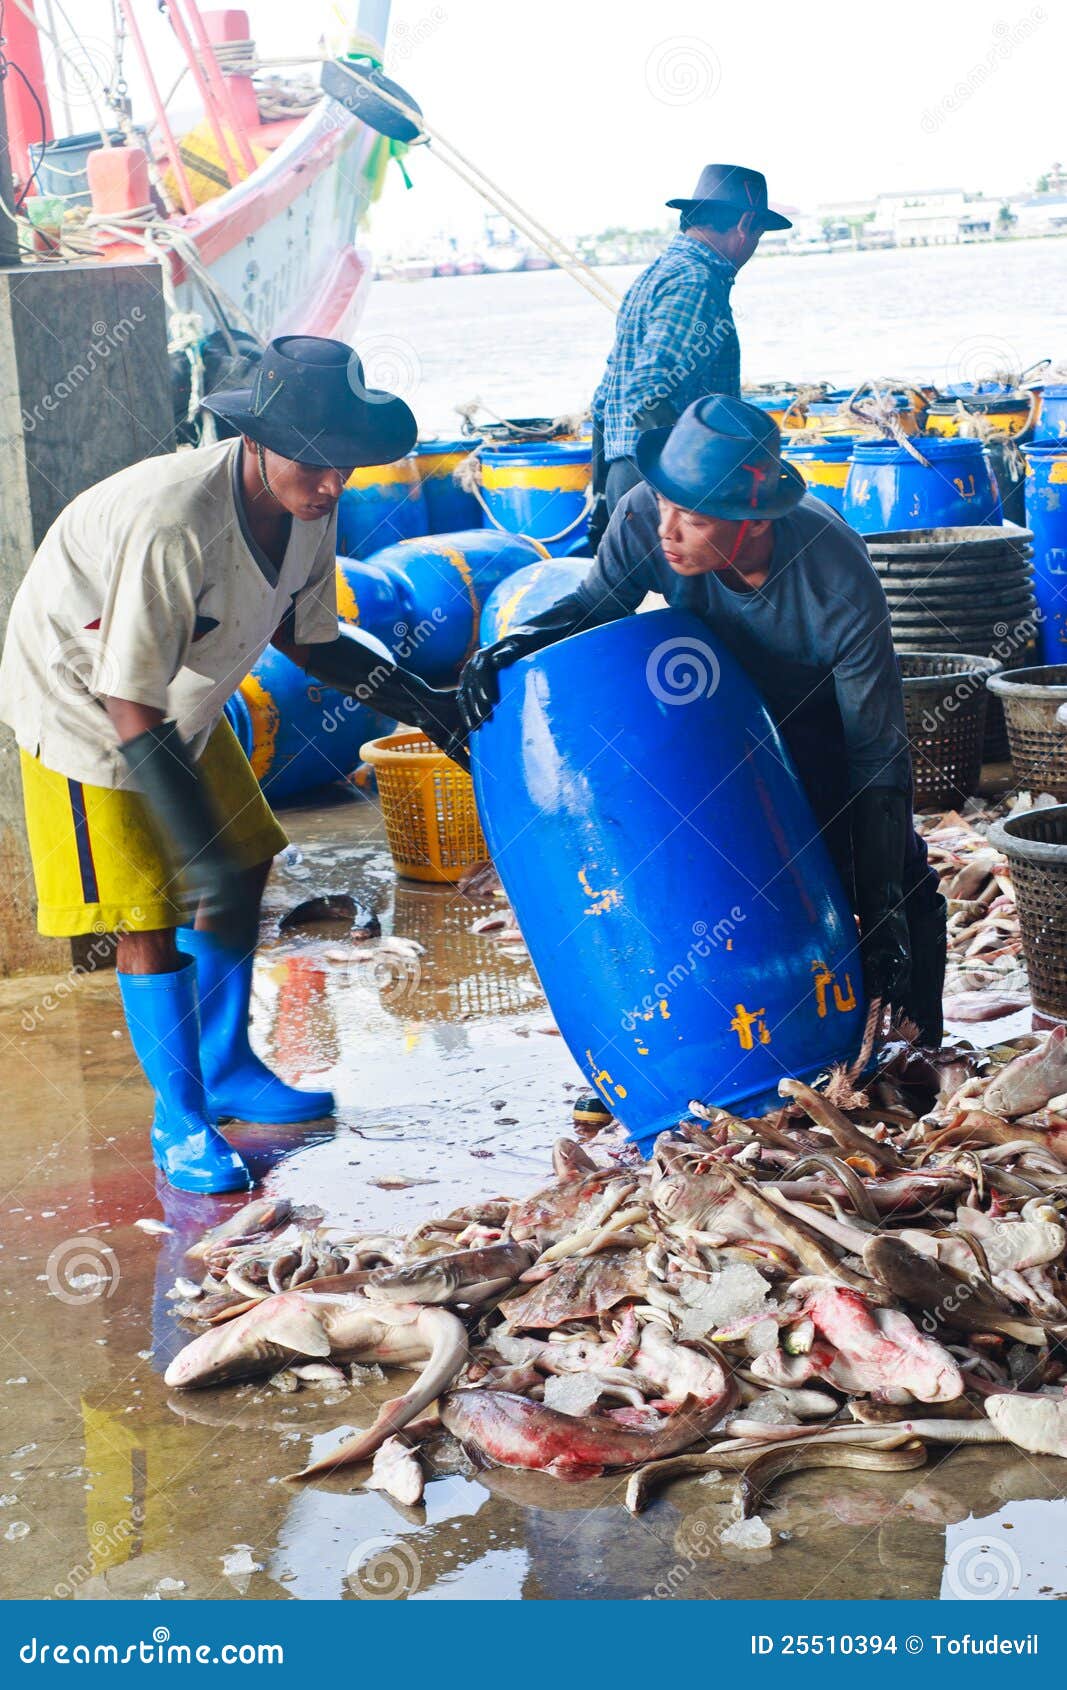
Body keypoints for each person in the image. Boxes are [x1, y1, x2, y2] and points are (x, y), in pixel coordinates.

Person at [0, 335, 465, 1194]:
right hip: (85, 702)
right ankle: (179, 1121)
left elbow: (308, 636)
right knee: (149, 911)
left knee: (246, 859)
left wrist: (425, 702)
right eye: (316, 464)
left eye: (348, 466)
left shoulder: (307, 510)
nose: (332, 485)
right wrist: (190, 845)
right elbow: (125, 699)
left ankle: (226, 1068)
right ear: (255, 441)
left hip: (176, 686)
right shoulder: (176, 521)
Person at [458, 395, 947, 1045]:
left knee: (899, 888)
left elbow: (875, 754)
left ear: (752, 522)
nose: (666, 530)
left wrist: (881, 911)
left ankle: (918, 1048)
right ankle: (680, 1047)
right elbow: (597, 604)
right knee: (689, 878)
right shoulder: (642, 515)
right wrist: (508, 646)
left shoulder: (838, 582)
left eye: (690, 517)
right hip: (708, 709)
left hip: (812, 721)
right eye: (665, 503)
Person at [587, 163, 791, 548]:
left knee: (650, 604)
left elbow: (606, 397)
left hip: (630, 476)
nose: (754, 246)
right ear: (745, 224)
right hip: (663, 488)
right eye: (759, 233)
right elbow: (645, 392)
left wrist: (602, 496)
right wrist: (682, 485)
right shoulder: (696, 281)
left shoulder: (659, 272)